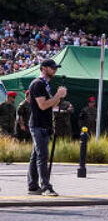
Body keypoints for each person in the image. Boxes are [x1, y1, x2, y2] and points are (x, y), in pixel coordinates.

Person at [26, 59, 67, 196]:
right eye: (52, 67)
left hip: (43, 124)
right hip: (38, 125)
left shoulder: (45, 85)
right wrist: (58, 95)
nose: (54, 70)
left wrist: (58, 98)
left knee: (36, 156)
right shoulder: (38, 84)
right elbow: (43, 105)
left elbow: (52, 105)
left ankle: (32, 186)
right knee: (42, 156)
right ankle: (46, 186)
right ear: (43, 68)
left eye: (55, 67)